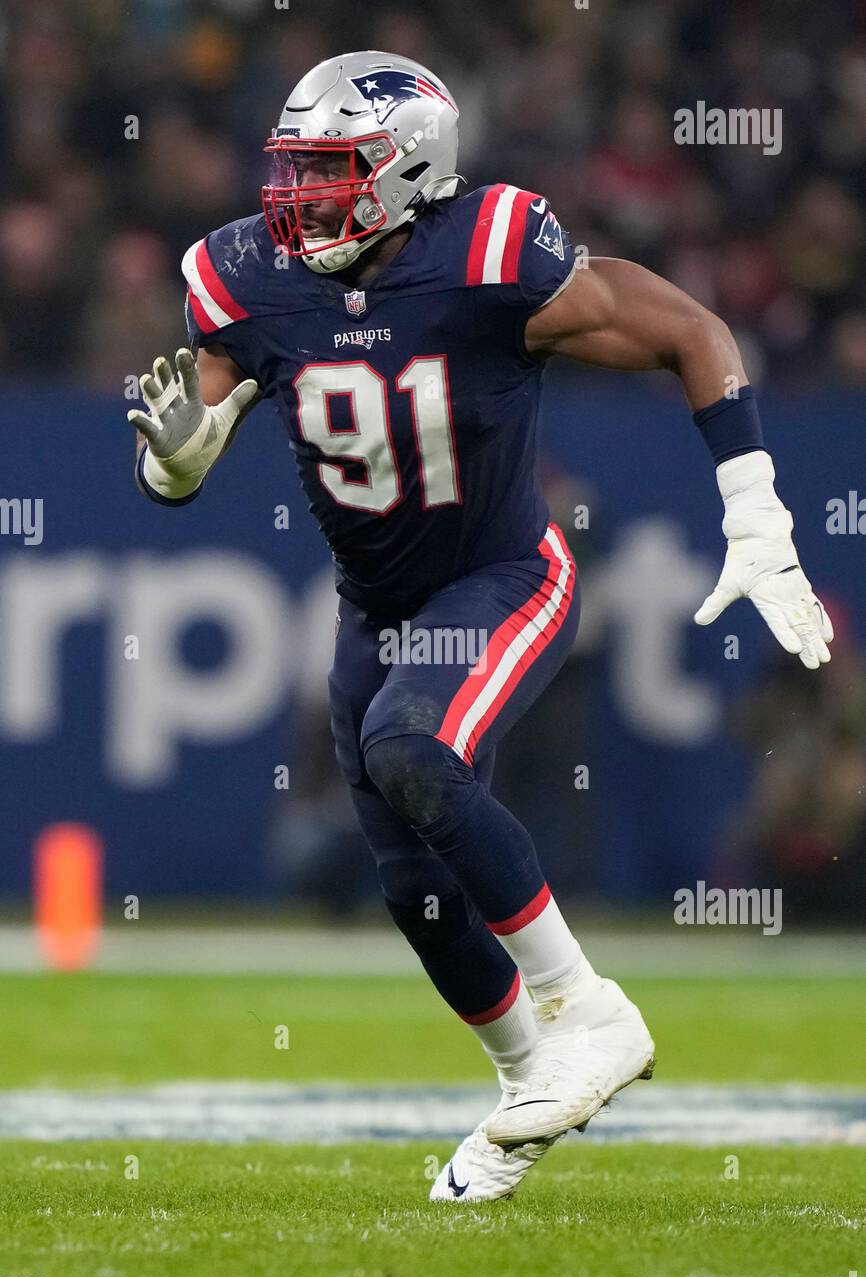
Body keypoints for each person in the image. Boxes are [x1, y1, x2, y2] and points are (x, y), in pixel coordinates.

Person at [128, 51, 833, 1201]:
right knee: (408, 883)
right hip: (375, 602)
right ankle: (522, 1087)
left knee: (413, 748)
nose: (297, 199)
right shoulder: (246, 276)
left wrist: (753, 511)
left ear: (408, 174)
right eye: (293, 171)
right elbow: (181, 454)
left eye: (329, 172)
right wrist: (176, 459)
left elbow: (689, 329)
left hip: (503, 571)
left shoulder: (493, 249)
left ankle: (587, 1013)